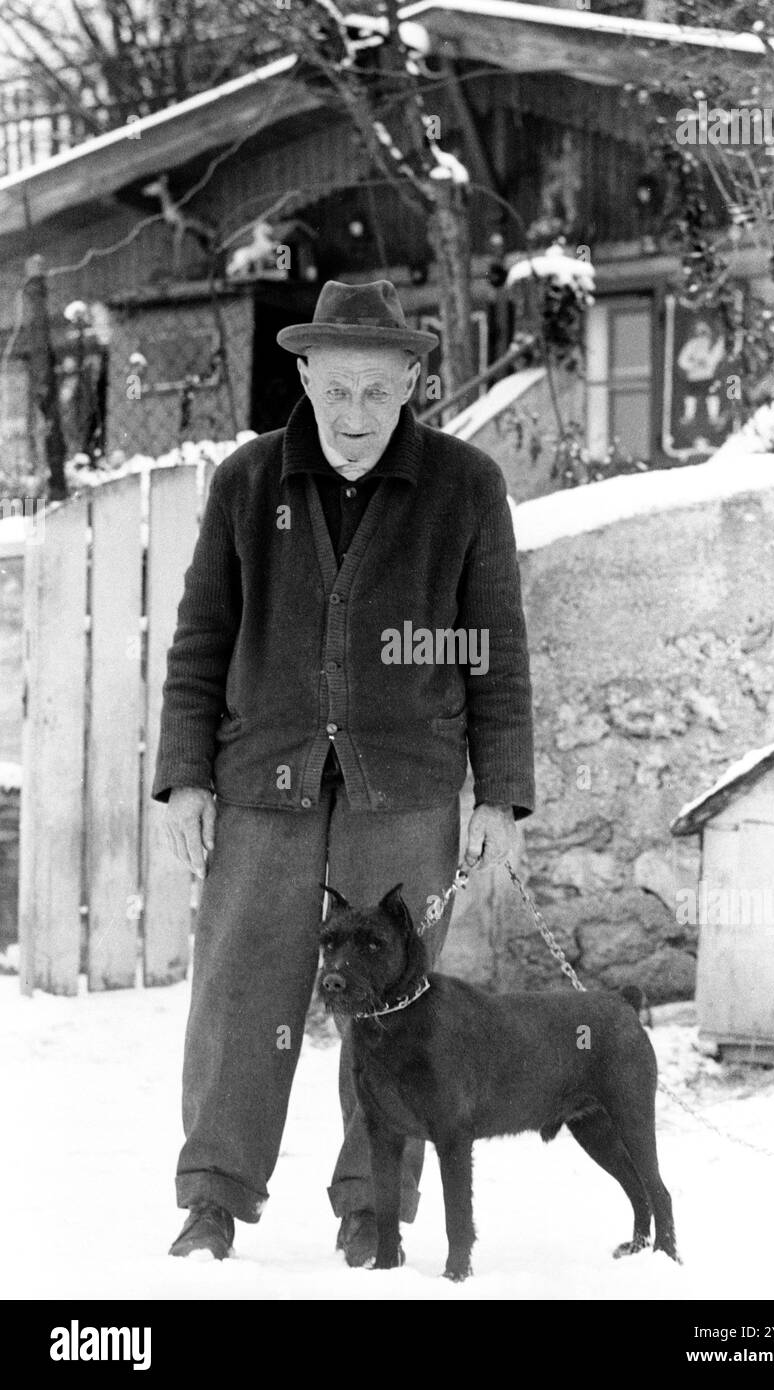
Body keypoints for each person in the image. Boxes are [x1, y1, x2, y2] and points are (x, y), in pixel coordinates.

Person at [153, 278, 535, 1264]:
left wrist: (500, 791)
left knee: (395, 1000)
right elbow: (202, 637)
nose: (356, 416)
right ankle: (213, 1199)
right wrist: (187, 773)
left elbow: (495, 646)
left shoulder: (465, 485)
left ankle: (373, 1206)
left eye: (378, 391)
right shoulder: (246, 483)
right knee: (242, 989)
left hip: (403, 784)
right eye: (338, 391)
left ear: (411, 379)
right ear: (304, 375)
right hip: (261, 782)